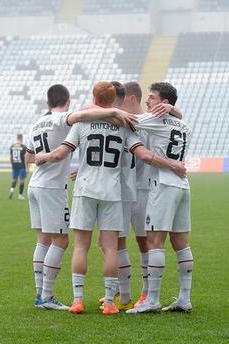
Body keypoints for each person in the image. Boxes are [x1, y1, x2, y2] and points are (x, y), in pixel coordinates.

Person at [35, 82, 186, 315]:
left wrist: (42, 158)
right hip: (117, 190)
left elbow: (62, 152)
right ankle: (113, 300)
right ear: (116, 99)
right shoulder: (127, 125)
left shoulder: (85, 123)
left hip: (93, 189)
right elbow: (144, 154)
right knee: (113, 246)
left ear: (95, 100)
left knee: (84, 246)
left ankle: (80, 299)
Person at [24, 83, 136, 311]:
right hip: (81, 189)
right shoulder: (70, 119)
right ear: (67, 102)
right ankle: (49, 295)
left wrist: (42, 158)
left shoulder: (38, 122)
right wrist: (115, 112)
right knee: (75, 243)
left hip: (43, 185)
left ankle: (58, 296)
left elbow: (29, 156)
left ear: (48, 102)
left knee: (53, 241)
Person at [127, 82, 194, 314]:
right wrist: (175, 111)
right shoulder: (184, 124)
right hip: (182, 185)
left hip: (162, 185)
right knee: (181, 243)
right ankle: (184, 298)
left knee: (154, 241)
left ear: (163, 103)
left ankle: (152, 299)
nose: (148, 101)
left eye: (152, 98)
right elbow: (176, 115)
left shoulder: (154, 120)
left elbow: (126, 120)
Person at [9, 134, 27, 200]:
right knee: (21, 181)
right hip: (21, 166)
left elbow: (10, 158)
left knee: (14, 180)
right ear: (21, 138)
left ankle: (12, 189)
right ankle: (20, 195)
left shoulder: (12, 146)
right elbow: (25, 158)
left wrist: (12, 165)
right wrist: (26, 168)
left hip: (14, 166)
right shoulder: (23, 147)